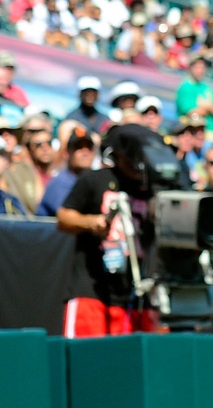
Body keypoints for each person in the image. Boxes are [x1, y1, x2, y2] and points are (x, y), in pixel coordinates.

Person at [55, 124, 159, 337]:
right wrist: (92, 222)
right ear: (118, 155)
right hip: (92, 289)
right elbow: (63, 218)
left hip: (137, 293)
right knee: (84, 358)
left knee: (138, 363)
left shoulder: (154, 187)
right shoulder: (95, 179)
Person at [3, 115, 58, 213]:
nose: (44, 148)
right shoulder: (18, 170)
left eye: (48, 143)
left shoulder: (59, 173)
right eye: (38, 144)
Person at [37, 129, 96, 216]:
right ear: (67, 153)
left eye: (89, 148)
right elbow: (68, 217)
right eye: (79, 148)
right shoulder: (61, 182)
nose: (85, 152)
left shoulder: (92, 180)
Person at [174, 55, 213, 123]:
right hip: (193, 129)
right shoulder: (185, 87)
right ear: (190, 68)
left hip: (211, 129)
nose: (200, 70)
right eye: (197, 67)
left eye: (202, 67)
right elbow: (191, 113)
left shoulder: (207, 88)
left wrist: (208, 107)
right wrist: (210, 108)